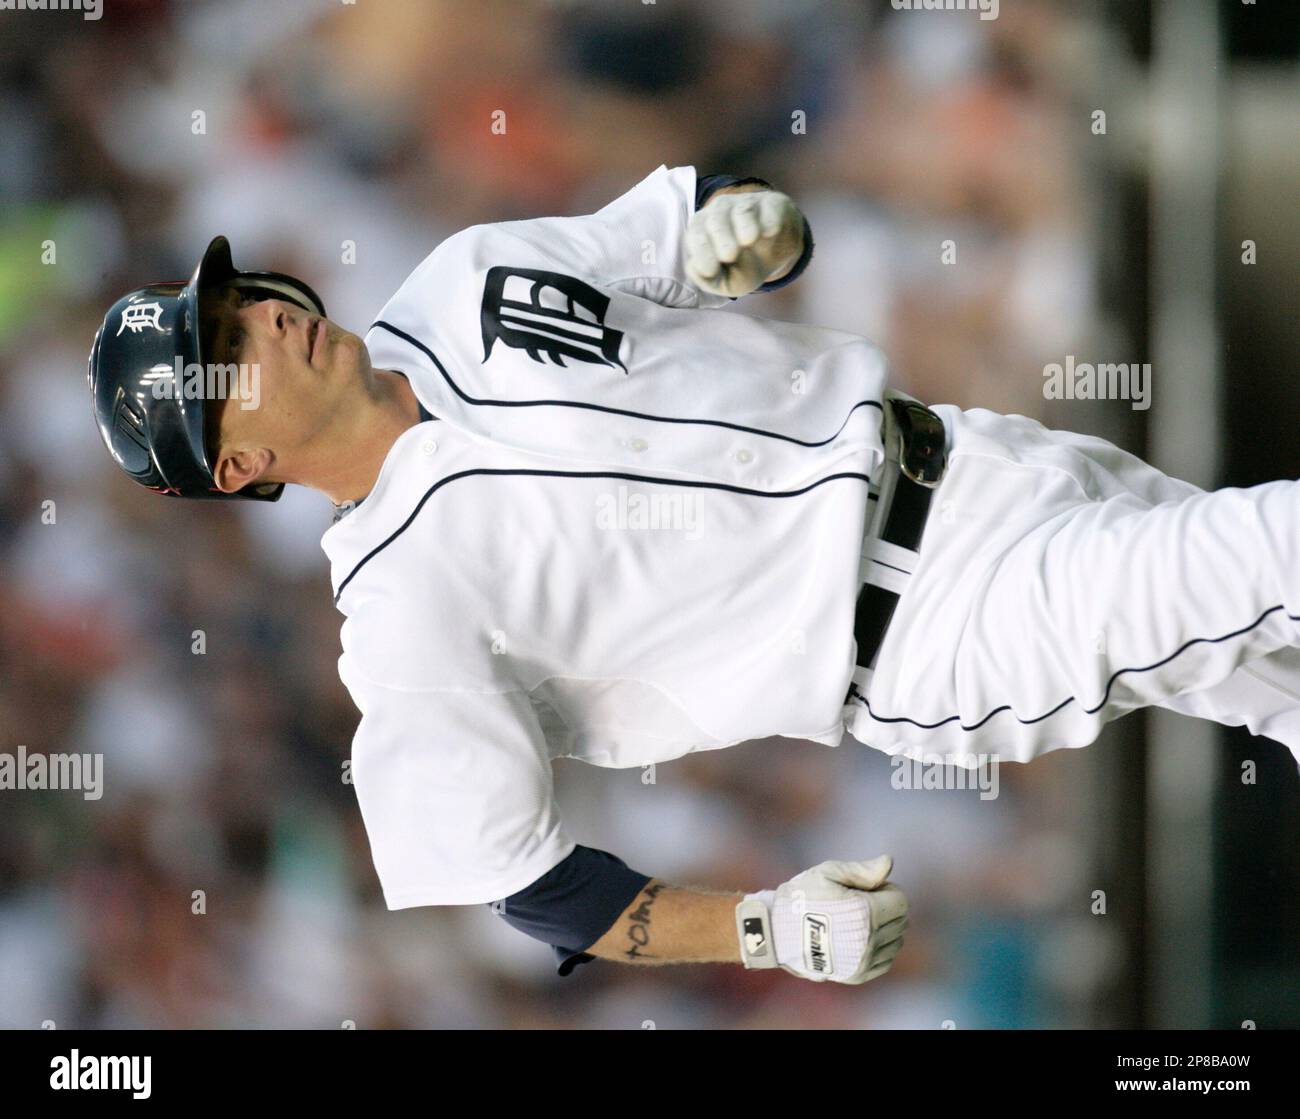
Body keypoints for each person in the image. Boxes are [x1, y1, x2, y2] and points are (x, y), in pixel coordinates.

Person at [88, 165, 1299, 985]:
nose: (258, 319)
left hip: (979, 454)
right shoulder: (398, 619)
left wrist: (754, 225)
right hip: (937, 629)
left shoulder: (462, 279)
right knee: (1273, 553)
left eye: (236, 302)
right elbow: (533, 886)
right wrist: (760, 928)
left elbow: (700, 221)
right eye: (226, 351)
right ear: (239, 462)